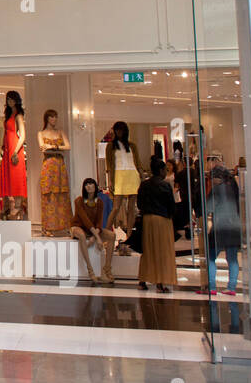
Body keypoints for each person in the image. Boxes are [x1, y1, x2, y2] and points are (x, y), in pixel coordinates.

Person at [136, 156, 178, 292]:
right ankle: (160, 283)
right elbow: (171, 205)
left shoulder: (144, 185)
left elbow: (139, 204)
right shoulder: (165, 185)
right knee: (163, 251)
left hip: (147, 220)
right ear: (161, 170)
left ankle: (142, 281)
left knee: (148, 250)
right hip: (162, 220)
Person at [105, 121, 145, 256]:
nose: (119, 132)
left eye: (121, 130)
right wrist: (110, 180)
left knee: (131, 209)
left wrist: (142, 176)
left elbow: (138, 162)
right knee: (116, 207)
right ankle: (106, 233)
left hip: (132, 175)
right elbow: (109, 165)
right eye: (117, 130)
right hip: (119, 177)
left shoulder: (132, 145)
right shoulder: (110, 146)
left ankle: (129, 237)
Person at [203, 165, 241, 296]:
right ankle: (232, 287)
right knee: (232, 259)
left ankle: (212, 286)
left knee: (211, 257)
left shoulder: (216, 190)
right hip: (235, 226)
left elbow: (208, 208)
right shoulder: (234, 188)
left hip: (220, 227)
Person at [71, 178, 114, 285]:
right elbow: (85, 220)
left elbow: (99, 222)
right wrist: (98, 238)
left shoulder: (99, 202)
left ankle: (106, 269)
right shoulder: (79, 201)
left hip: (93, 230)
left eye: (91, 184)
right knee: (81, 235)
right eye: (86, 184)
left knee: (112, 235)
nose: (89, 186)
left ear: (95, 186)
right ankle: (90, 270)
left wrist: (95, 237)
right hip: (78, 226)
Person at [0, 91, 28, 220]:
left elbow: (23, 135)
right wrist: (3, 148)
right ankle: (7, 206)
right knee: (6, 178)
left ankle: (18, 206)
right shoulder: (9, 116)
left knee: (16, 178)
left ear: (17, 100)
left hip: (15, 150)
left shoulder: (18, 116)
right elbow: (6, 133)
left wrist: (15, 151)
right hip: (7, 150)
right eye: (8, 99)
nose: (10, 102)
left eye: (12, 99)